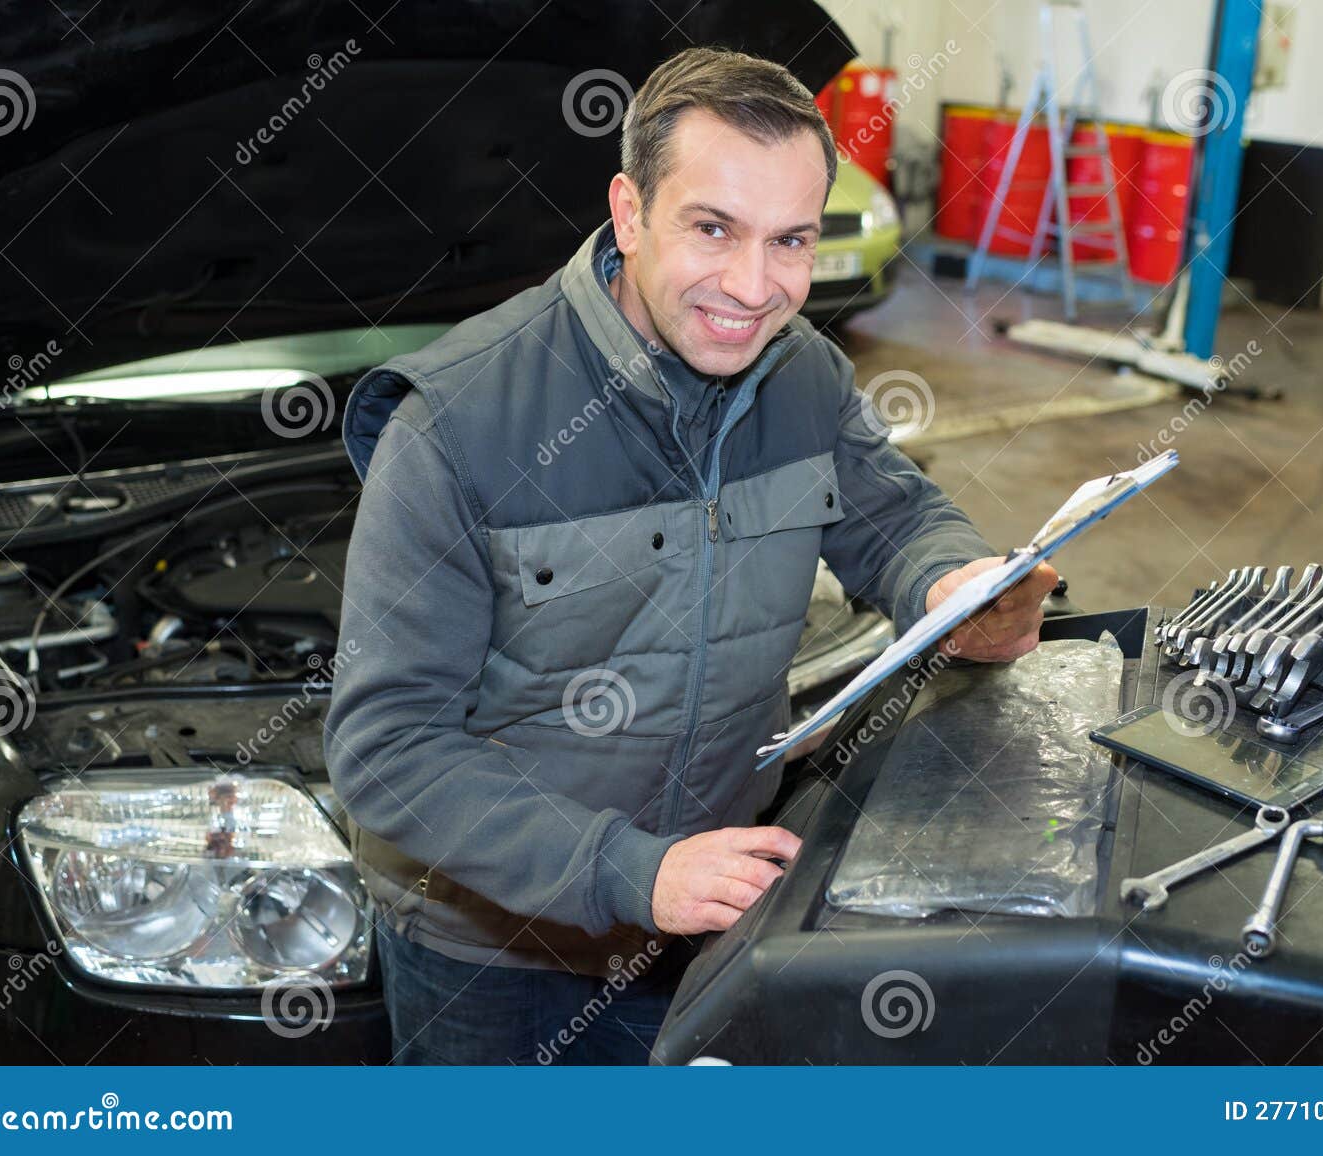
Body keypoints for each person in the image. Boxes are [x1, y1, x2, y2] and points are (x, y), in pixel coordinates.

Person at [324, 45, 1057, 1065]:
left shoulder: (802, 376)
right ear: (629, 213)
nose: (754, 286)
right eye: (713, 228)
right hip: (491, 960)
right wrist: (625, 870)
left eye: (790, 240)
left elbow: (891, 518)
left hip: (709, 919)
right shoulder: (458, 422)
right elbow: (386, 746)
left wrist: (958, 584)